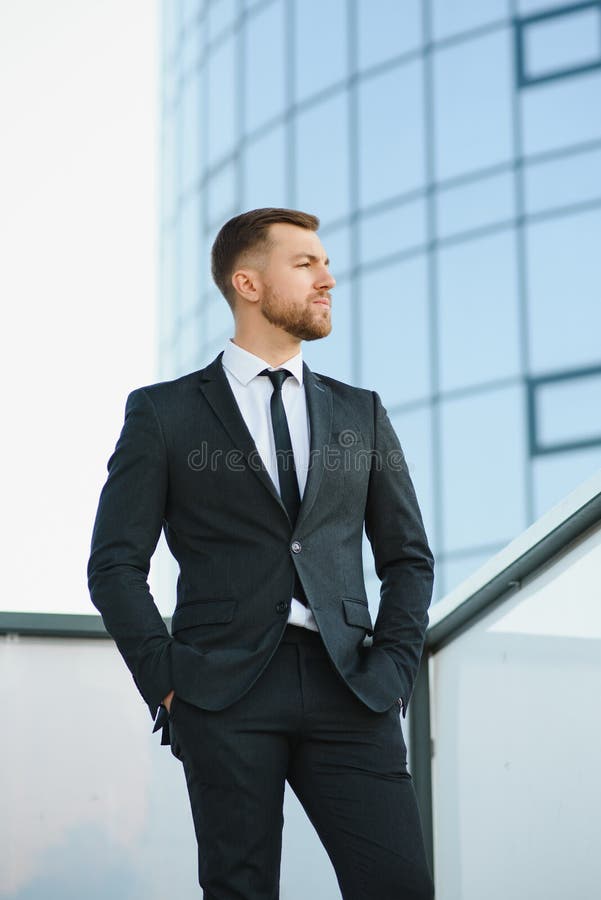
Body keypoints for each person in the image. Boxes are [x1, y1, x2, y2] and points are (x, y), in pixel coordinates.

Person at [88, 207, 435, 899]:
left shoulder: (359, 412)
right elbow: (114, 565)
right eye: (305, 264)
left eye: (325, 264)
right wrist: (168, 681)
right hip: (220, 690)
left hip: (351, 686)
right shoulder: (164, 413)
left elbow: (407, 558)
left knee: (398, 886)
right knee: (239, 890)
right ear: (247, 283)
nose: (328, 279)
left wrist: (394, 668)